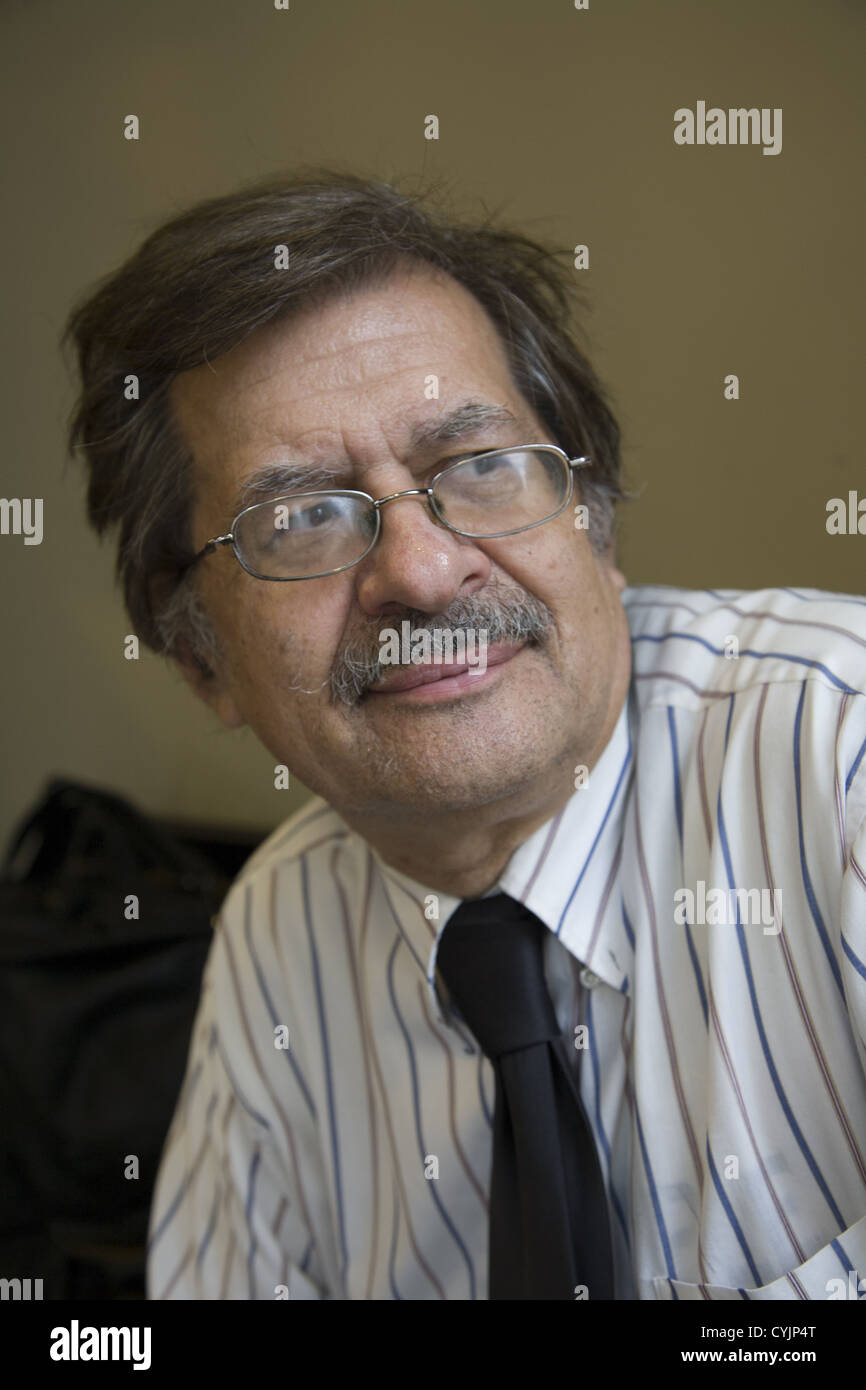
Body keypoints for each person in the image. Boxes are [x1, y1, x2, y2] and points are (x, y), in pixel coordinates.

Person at [63, 171, 866, 1300]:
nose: (424, 571)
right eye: (302, 519)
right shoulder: (281, 928)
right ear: (198, 655)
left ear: (592, 520)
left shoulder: (843, 752)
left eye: (477, 467)